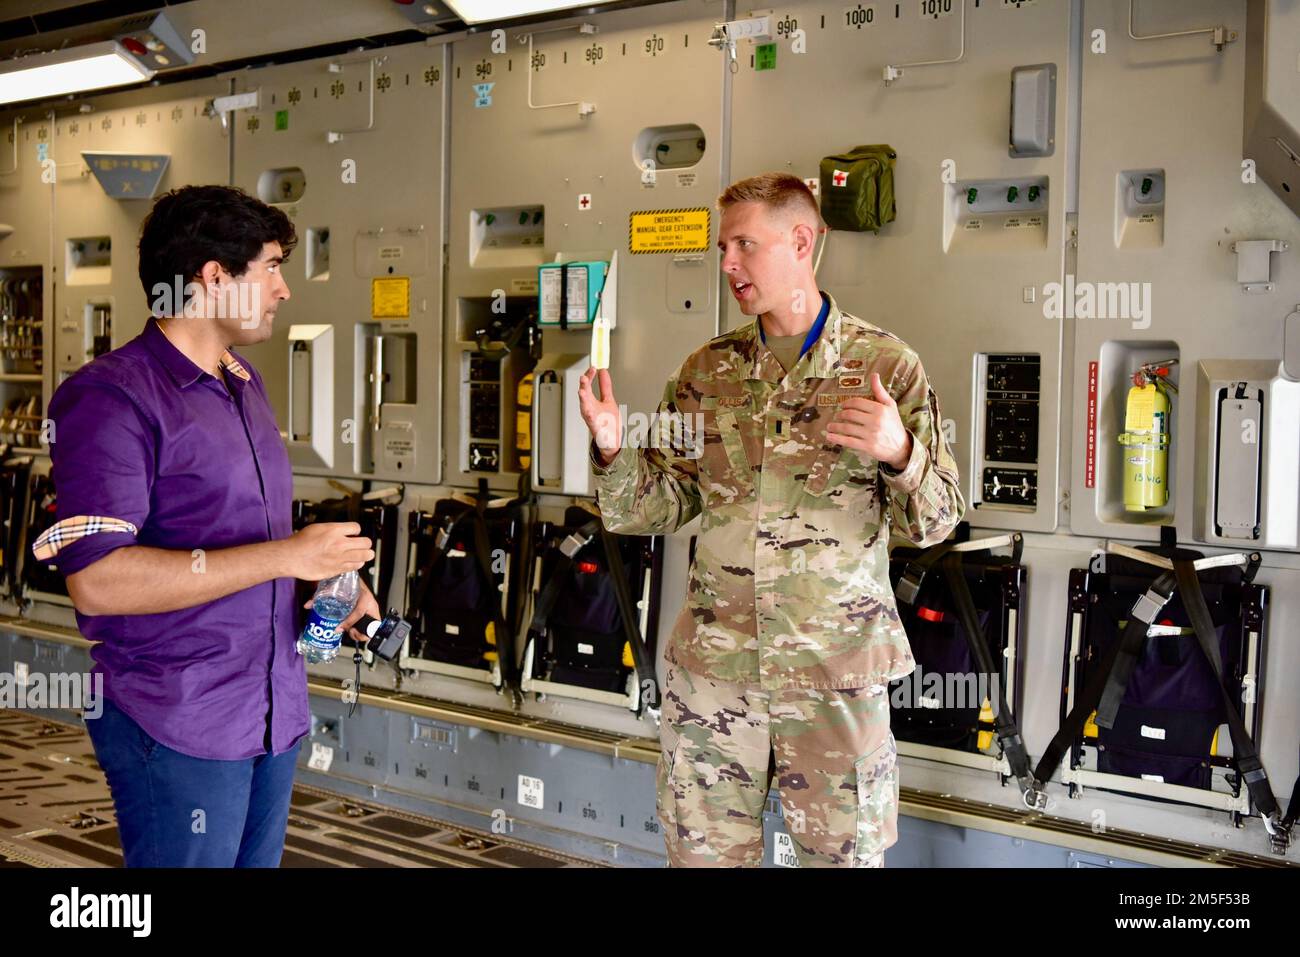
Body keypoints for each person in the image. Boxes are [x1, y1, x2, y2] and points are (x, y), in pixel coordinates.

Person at [578, 172, 965, 867]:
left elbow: (936, 521)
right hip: (715, 675)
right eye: (723, 247)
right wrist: (612, 446)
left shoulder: (884, 366)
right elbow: (659, 502)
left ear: (801, 241)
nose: (727, 263)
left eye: (744, 245)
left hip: (832, 677)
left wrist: (899, 451)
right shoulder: (708, 371)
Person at [31, 184, 380, 867]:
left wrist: (330, 581)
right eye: (272, 266)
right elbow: (98, 580)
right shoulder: (110, 399)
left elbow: (242, 536)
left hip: (269, 712)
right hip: (177, 720)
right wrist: (285, 557)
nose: (283, 289)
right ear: (214, 278)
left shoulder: (241, 381)